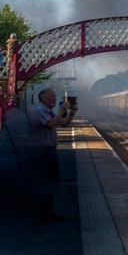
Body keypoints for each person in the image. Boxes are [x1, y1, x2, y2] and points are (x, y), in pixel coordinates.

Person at [28, 87, 78, 221]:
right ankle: (43, 213)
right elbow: (50, 125)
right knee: (46, 182)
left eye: (55, 96)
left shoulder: (48, 111)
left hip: (49, 151)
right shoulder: (39, 111)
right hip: (41, 152)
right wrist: (61, 111)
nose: (54, 99)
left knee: (51, 181)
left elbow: (63, 123)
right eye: (51, 96)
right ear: (43, 98)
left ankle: (48, 212)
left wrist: (71, 113)